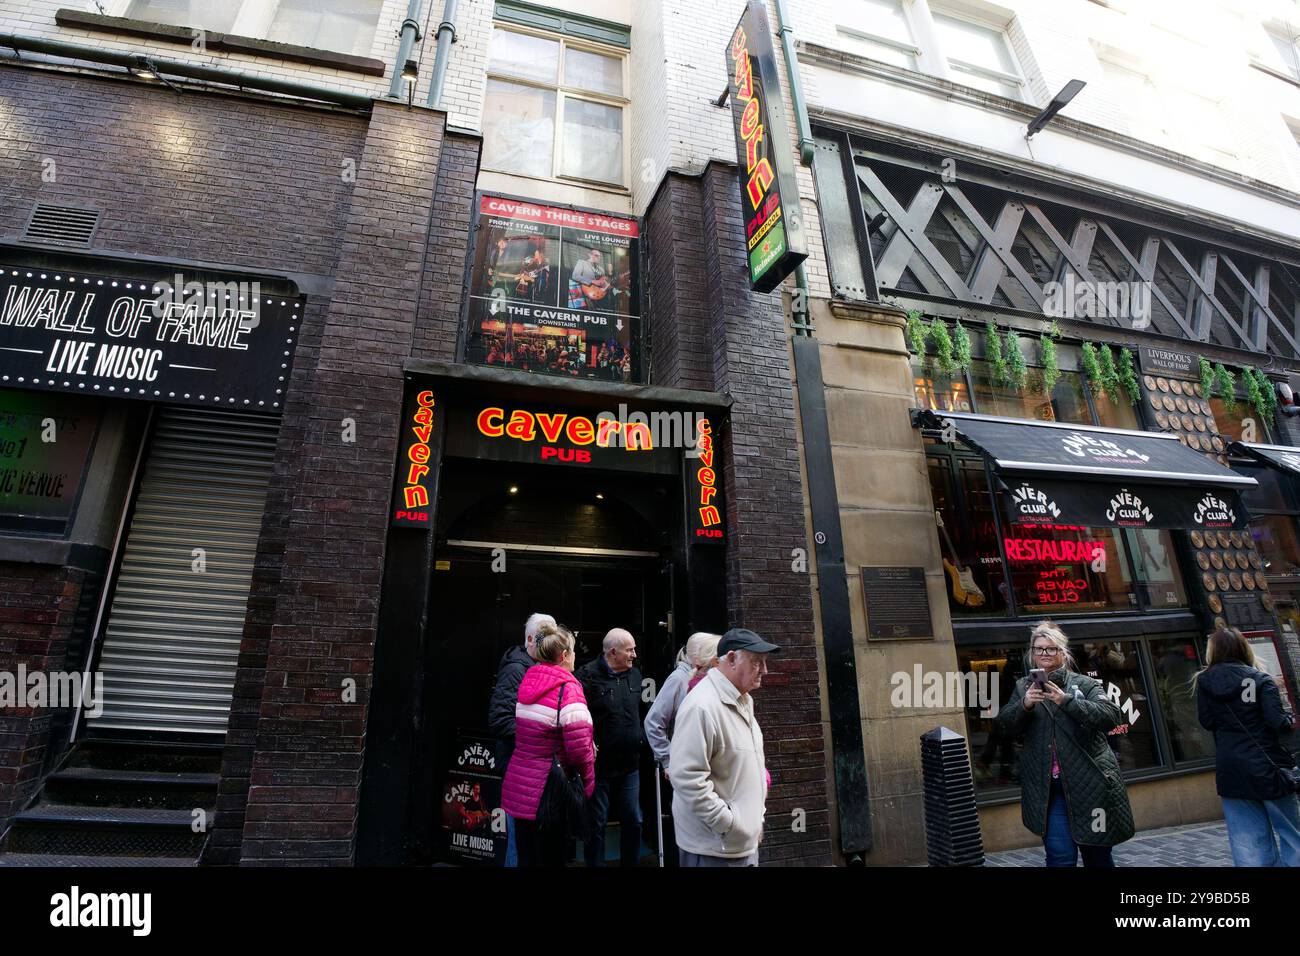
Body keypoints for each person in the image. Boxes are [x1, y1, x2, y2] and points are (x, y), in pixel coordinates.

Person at [997, 620, 1134, 867]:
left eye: (1050, 649)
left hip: (1091, 789)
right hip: (1050, 792)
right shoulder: (1022, 687)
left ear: (1062, 652)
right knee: (1059, 858)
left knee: (1097, 855)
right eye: (1038, 649)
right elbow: (1006, 726)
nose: (1044, 654)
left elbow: (1111, 716)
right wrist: (1025, 705)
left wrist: (1067, 701)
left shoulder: (1084, 684)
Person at [669, 627, 776, 867]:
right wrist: (729, 824)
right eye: (757, 662)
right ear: (730, 659)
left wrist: (753, 821)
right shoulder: (702, 706)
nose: (765, 670)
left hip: (738, 846)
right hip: (714, 850)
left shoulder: (742, 699)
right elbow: (686, 777)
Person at [1195, 626, 1300, 866]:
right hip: (1270, 767)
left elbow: (1207, 721)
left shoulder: (1204, 682)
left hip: (1231, 768)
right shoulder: (1260, 680)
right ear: (1243, 648)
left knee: (1248, 840)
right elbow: (1277, 723)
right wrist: (1289, 719)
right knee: (1292, 832)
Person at [500, 623, 596, 867]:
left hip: (520, 785)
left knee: (527, 857)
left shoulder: (529, 680)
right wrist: (587, 784)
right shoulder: (569, 688)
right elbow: (579, 749)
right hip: (550, 791)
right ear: (564, 656)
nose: (576, 657)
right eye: (573, 652)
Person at [487, 612, 553, 866]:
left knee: (530, 840)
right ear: (530, 639)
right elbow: (499, 719)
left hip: (533, 766)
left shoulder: (539, 668)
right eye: (546, 636)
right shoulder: (516, 669)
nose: (551, 642)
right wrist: (540, 733)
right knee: (519, 840)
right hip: (518, 766)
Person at [576, 628, 645, 867]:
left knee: (633, 820)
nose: (634, 654)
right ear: (613, 652)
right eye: (630, 650)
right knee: (596, 823)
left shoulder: (635, 675)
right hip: (600, 767)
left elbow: (642, 712)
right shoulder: (586, 677)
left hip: (630, 765)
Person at [644, 633, 720, 777]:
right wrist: (668, 760)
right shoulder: (678, 679)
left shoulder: (707, 679)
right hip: (686, 765)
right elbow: (653, 721)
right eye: (715, 658)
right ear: (700, 658)